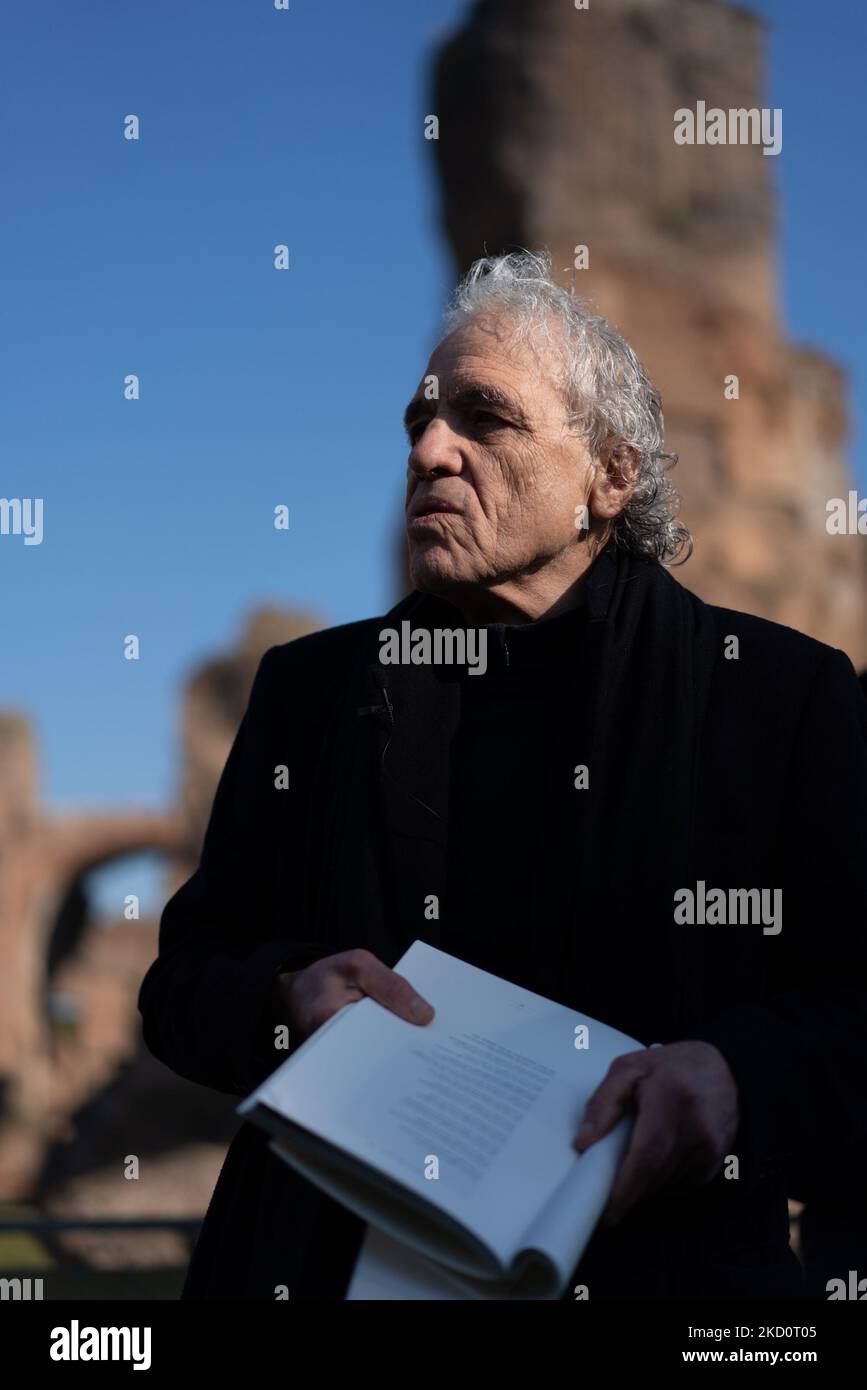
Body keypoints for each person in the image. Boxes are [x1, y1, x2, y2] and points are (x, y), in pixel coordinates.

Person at [139, 251, 867, 1300]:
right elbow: (180, 980)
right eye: (418, 423)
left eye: (485, 419)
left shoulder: (780, 699)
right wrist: (283, 995)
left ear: (609, 476)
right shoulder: (308, 692)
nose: (430, 450)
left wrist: (736, 1076)